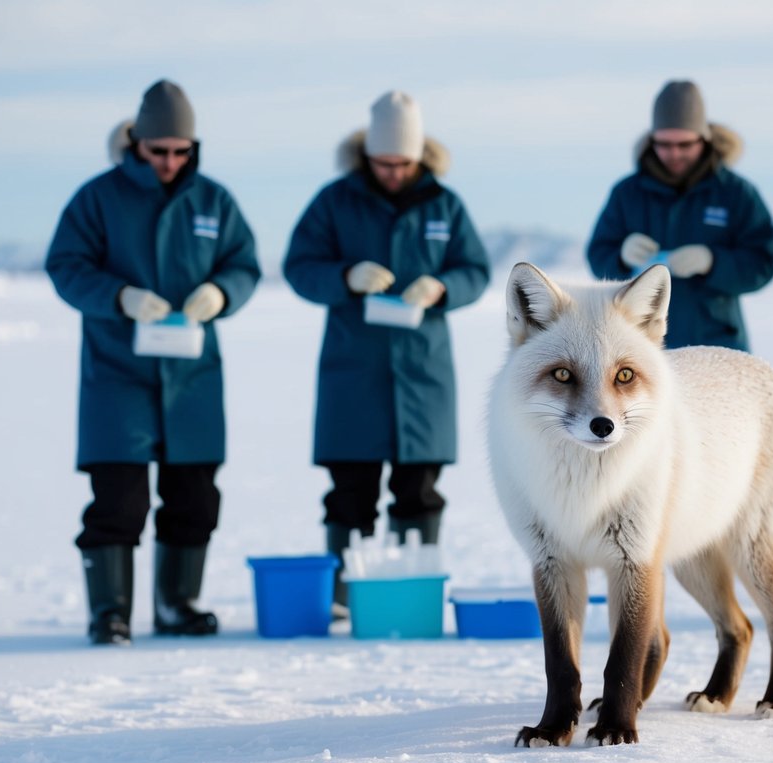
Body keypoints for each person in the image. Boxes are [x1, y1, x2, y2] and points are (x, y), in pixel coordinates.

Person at [46, 80, 261, 645]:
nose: (168, 161)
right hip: (118, 376)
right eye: (157, 149)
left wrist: (220, 292)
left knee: (194, 495)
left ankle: (177, 604)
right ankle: (109, 611)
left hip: (191, 377)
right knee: (119, 498)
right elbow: (65, 265)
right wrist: (119, 296)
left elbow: (244, 264)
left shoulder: (214, 201)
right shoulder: (97, 198)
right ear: (136, 141)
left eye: (179, 151)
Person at [282, 91, 489, 612]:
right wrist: (344, 277)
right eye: (383, 162)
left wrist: (441, 288)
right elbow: (300, 266)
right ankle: (344, 596)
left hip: (422, 376)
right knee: (350, 492)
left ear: (419, 155)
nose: (393, 172)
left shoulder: (445, 204)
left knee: (418, 491)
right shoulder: (334, 201)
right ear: (366, 155)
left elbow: (476, 271)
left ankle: (408, 593)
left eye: (403, 162)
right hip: (354, 373)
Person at [586, 80, 773, 351]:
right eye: (664, 144)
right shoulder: (628, 193)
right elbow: (598, 257)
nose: (673, 153)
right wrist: (621, 257)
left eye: (684, 144)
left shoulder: (735, 193)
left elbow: (762, 264)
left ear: (704, 138)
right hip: (645, 350)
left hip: (718, 347)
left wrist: (713, 262)